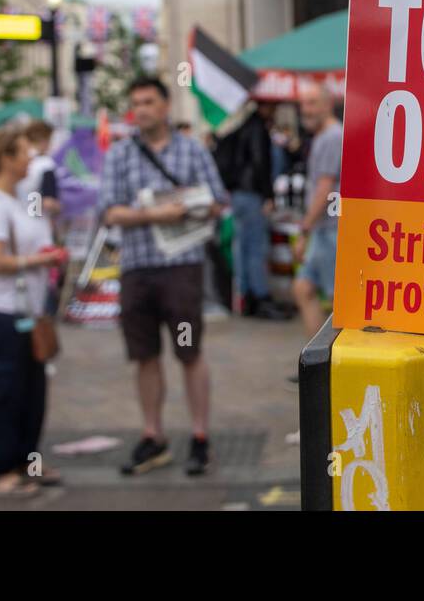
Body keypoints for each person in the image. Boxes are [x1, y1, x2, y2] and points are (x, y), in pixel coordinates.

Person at [100, 77, 229, 477]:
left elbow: (218, 201)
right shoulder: (120, 155)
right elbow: (110, 211)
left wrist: (188, 206)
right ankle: (152, 434)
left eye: (149, 102)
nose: (141, 110)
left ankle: (200, 436)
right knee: (144, 355)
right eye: (136, 103)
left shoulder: (191, 150)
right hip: (138, 267)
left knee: (190, 352)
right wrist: (153, 215)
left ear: (166, 105)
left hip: (182, 265)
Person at [0, 126, 67, 495]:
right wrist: (34, 260)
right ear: (6, 159)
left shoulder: (21, 198)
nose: (31, 159)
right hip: (1, 311)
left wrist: (49, 255)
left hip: (29, 309)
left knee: (32, 390)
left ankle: (27, 460)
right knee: (4, 391)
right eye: (24, 152)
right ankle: (0, 467)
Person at [217, 101, 287, 317]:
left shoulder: (242, 125)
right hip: (251, 193)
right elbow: (260, 162)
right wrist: (268, 195)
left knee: (243, 246)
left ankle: (246, 297)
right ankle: (260, 297)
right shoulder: (257, 129)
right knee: (256, 247)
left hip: (239, 193)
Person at [291, 83, 343, 340]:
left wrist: (304, 230)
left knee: (337, 303)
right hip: (324, 229)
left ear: (328, 104)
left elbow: (324, 189)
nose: (305, 110)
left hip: (331, 230)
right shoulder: (324, 137)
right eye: (302, 104)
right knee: (303, 288)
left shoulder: (333, 137)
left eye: (312, 103)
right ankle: (316, 359)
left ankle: (331, 364)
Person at [16, 121, 61, 221]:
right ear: (43, 140)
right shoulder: (45, 164)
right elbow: (48, 202)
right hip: (36, 222)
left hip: (16, 220)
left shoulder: (16, 161)